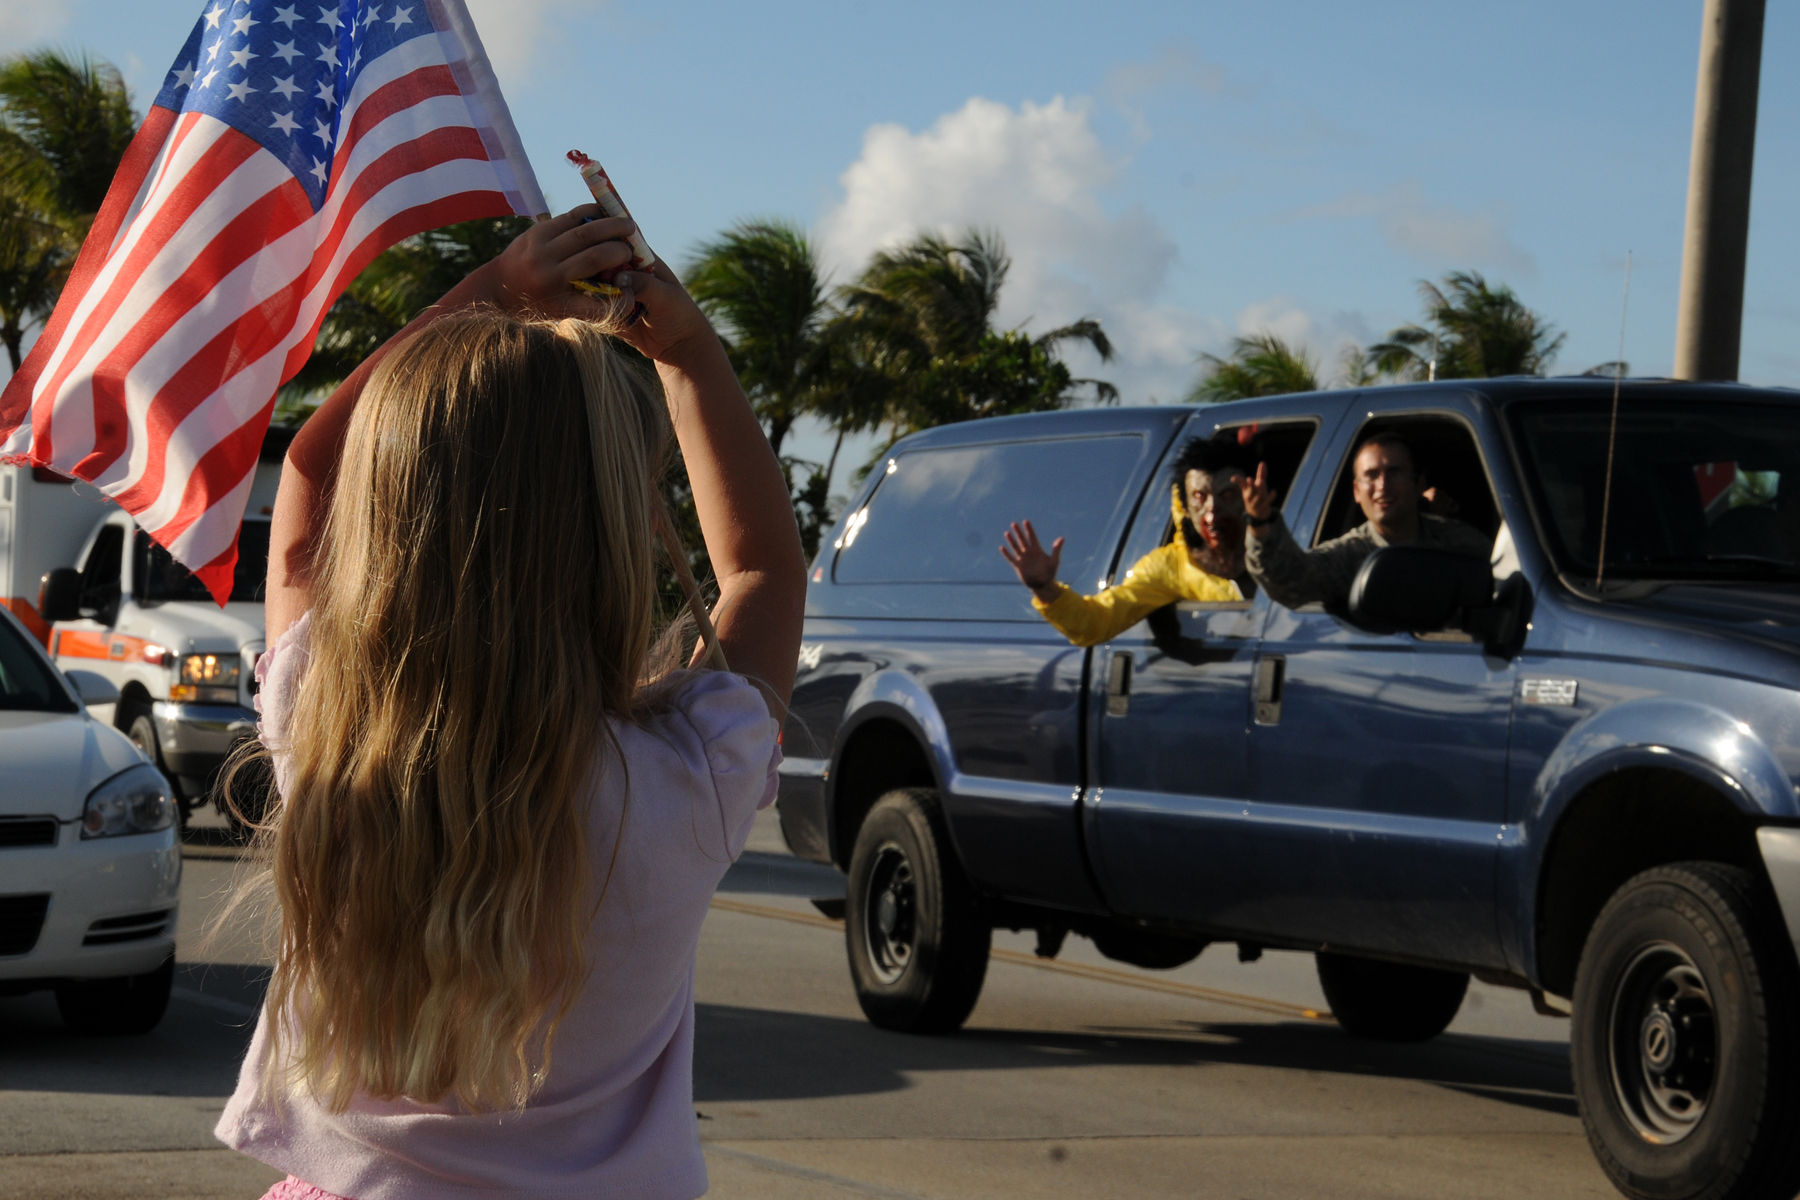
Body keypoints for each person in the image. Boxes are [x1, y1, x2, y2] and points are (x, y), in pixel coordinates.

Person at [212, 207, 806, 1200]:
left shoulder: (326, 733)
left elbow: (311, 474)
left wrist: (499, 285)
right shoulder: (689, 777)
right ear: (609, 527)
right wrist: (689, 352)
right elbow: (760, 569)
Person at [1000, 438, 1252, 647]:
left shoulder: (1281, 539)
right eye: (1199, 497)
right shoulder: (1172, 566)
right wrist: (1044, 589)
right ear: (1184, 506)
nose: (1212, 512)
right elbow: (1095, 622)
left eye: (1227, 495)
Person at [1240, 432, 1489, 610]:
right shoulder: (1348, 556)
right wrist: (1260, 525)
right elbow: (1291, 584)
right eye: (1371, 476)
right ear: (1357, 492)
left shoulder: (1459, 544)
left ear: (1419, 484)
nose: (1382, 486)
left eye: (1395, 472)